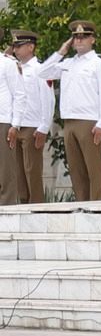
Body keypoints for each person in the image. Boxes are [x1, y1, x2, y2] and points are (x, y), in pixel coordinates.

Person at [34, 23, 101, 200]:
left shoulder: (99, 64)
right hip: (69, 122)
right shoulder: (68, 63)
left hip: (89, 121)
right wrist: (60, 52)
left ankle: (97, 205)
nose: (79, 40)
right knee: (76, 169)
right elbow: (41, 73)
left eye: (84, 36)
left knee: (93, 168)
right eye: (76, 37)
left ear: (92, 39)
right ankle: (82, 203)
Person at [5, 31, 51, 203]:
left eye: (19, 46)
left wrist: (44, 127)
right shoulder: (14, 67)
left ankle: (37, 207)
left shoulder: (40, 69)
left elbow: (48, 99)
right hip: (16, 125)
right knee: (17, 172)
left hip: (33, 125)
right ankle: (23, 206)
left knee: (32, 171)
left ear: (31, 47)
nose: (15, 49)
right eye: (14, 46)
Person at [0, 28, 23, 205]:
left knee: (5, 171)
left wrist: (15, 125)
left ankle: (7, 209)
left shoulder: (7, 63)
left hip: (3, 121)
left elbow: (19, 94)